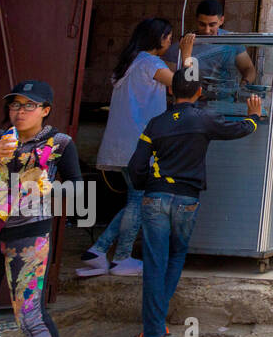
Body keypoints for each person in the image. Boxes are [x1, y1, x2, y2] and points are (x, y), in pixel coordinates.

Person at [127, 69, 262, 337]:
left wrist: (148, 185)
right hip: (187, 200)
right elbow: (241, 129)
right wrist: (255, 117)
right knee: (176, 257)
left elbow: (135, 166)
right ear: (200, 92)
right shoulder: (205, 119)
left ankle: (153, 331)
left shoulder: (155, 124)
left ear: (170, 92)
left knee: (155, 263)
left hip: (156, 198)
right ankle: (155, 325)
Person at [81, 18, 193, 279]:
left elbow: (172, 72)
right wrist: (187, 55)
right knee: (140, 201)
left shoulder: (132, 62)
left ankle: (100, 252)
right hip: (138, 145)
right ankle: (117, 257)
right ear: (157, 38)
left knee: (137, 200)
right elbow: (183, 84)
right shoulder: (150, 63)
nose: (169, 42)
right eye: (168, 38)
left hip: (122, 144)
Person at [0, 81, 80, 337]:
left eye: (29, 105)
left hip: (29, 236)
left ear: (45, 110)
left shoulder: (60, 144)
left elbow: (76, 189)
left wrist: (49, 189)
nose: (20, 112)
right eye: (15, 105)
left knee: (30, 316)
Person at [168, 0, 256, 101]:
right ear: (196, 20)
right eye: (202, 24)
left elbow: (248, 68)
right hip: (194, 104)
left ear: (221, 21)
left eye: (212, 25)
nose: (207, 30)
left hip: (224, 103)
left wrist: (243, 86)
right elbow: (174, 80)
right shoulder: (184, 44)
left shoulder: (231, 41)